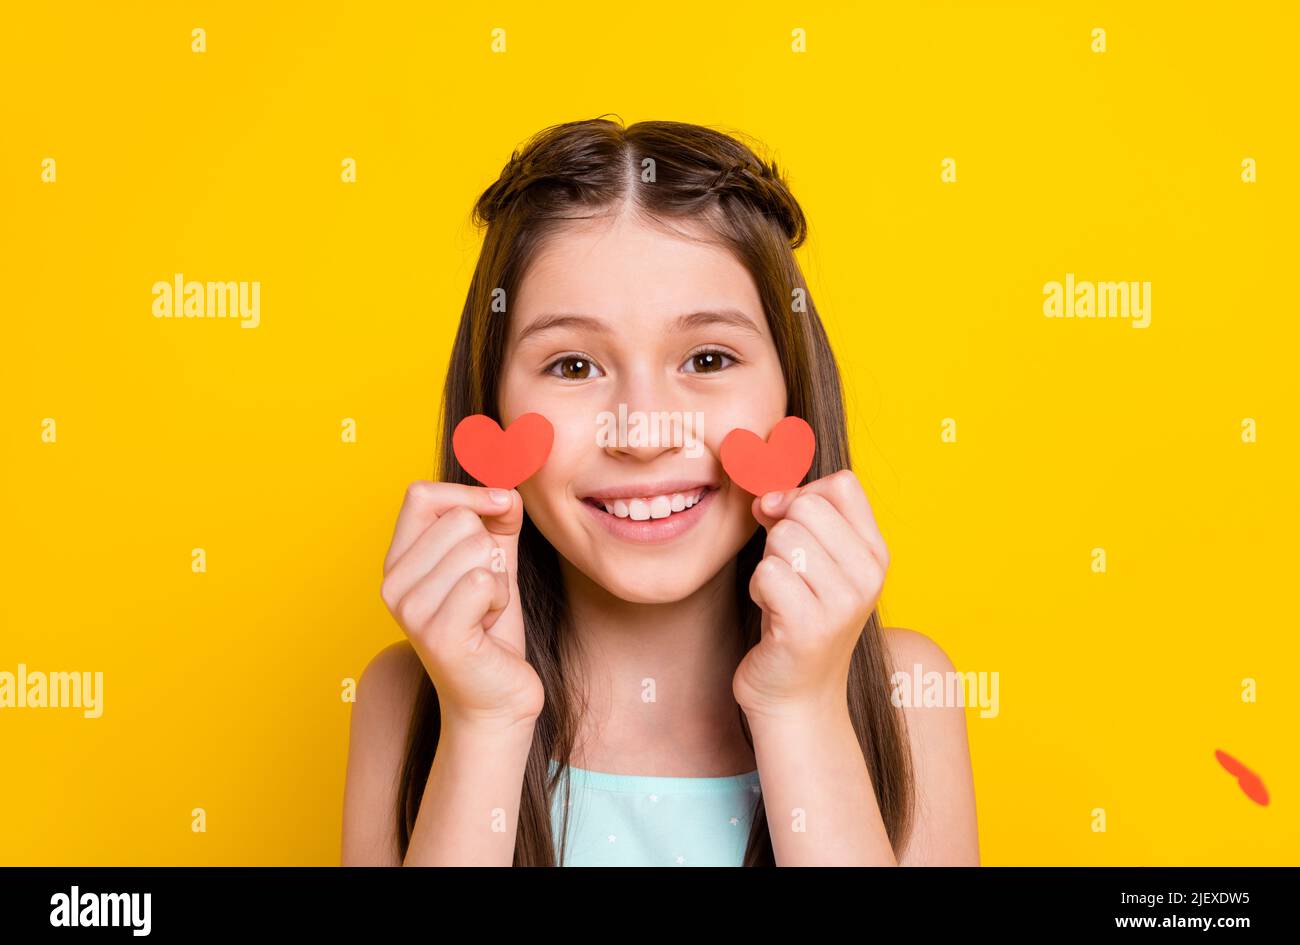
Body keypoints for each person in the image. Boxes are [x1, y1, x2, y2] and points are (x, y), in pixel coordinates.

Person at [341, 116, 979, 866]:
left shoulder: (908, 694)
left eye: (708, 359)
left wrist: (801, 709)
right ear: (493, 402)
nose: (643, 435)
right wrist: (486, 721)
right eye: (574, 367)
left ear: (792, 392)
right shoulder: (411, 697)